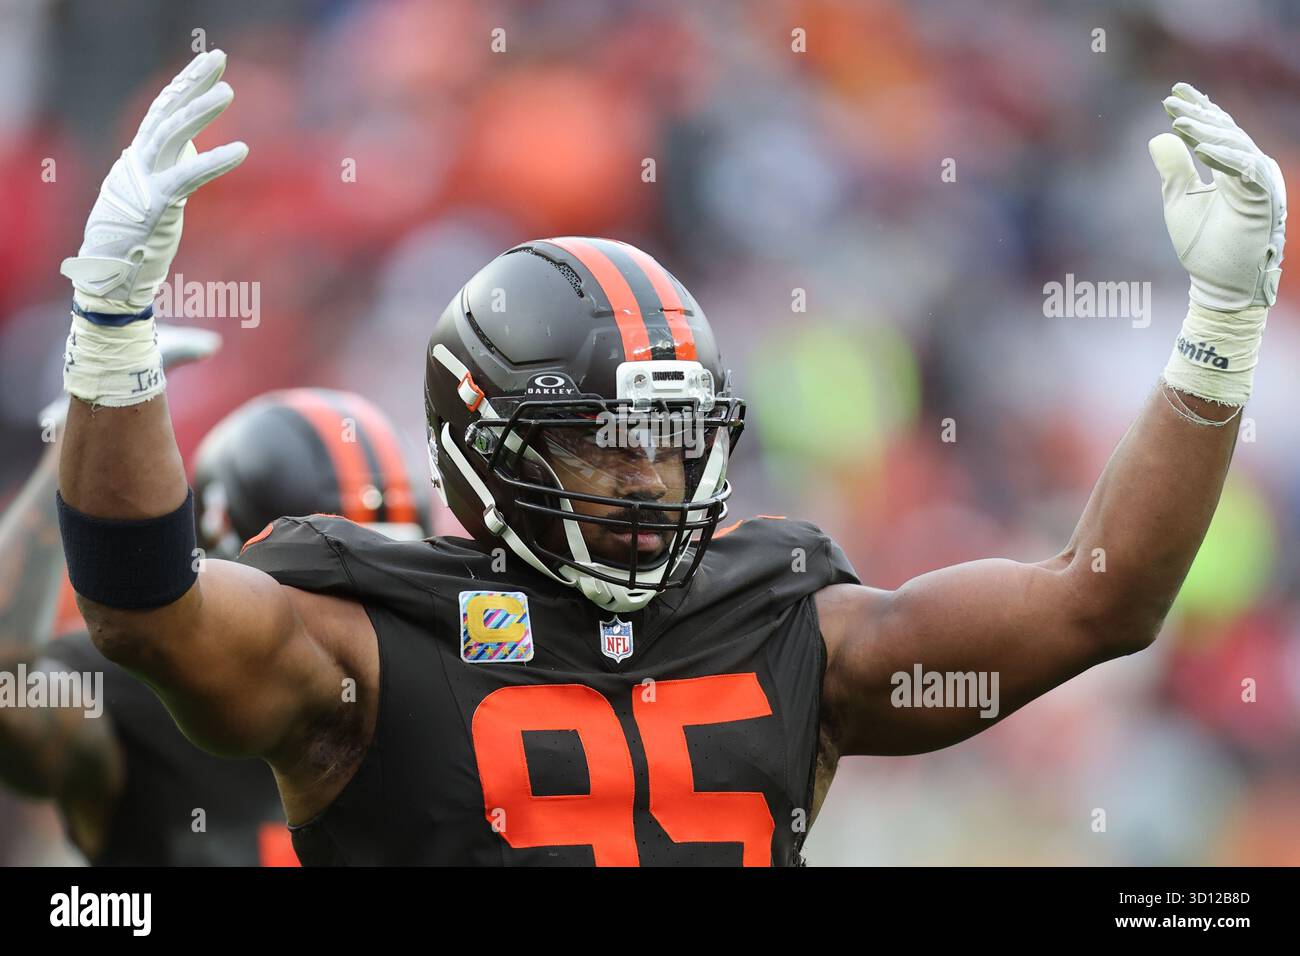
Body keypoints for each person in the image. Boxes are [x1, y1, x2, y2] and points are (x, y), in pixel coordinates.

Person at [54, 51, 1285, 865]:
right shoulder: (367, 642)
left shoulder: (796, 627)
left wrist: (1222, 330)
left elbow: (1100, 598)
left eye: (672, 438)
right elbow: (140, 609)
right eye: (605, 440)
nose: (649, 475)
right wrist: (111, 334)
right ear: (487, 443)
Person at [1, 338, 427, 864]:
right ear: (229, 578)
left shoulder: (437, 703)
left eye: (385, 579)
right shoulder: (138, 703)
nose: (363, 619)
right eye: (332, 591)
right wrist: (74, 443)